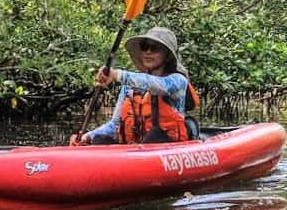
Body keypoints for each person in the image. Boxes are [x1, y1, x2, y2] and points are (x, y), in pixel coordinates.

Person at [70, 27, 199, 146]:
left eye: (154, 48)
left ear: (167, 56)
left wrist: (117, 74)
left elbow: (160, 86)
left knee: (155, 135)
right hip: (137, 149)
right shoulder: (130, 87)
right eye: (144, 47)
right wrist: (87, 136)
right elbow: (115, 125)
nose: (148, 52)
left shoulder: (178, 81)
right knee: (98, 139)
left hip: (166, 147)